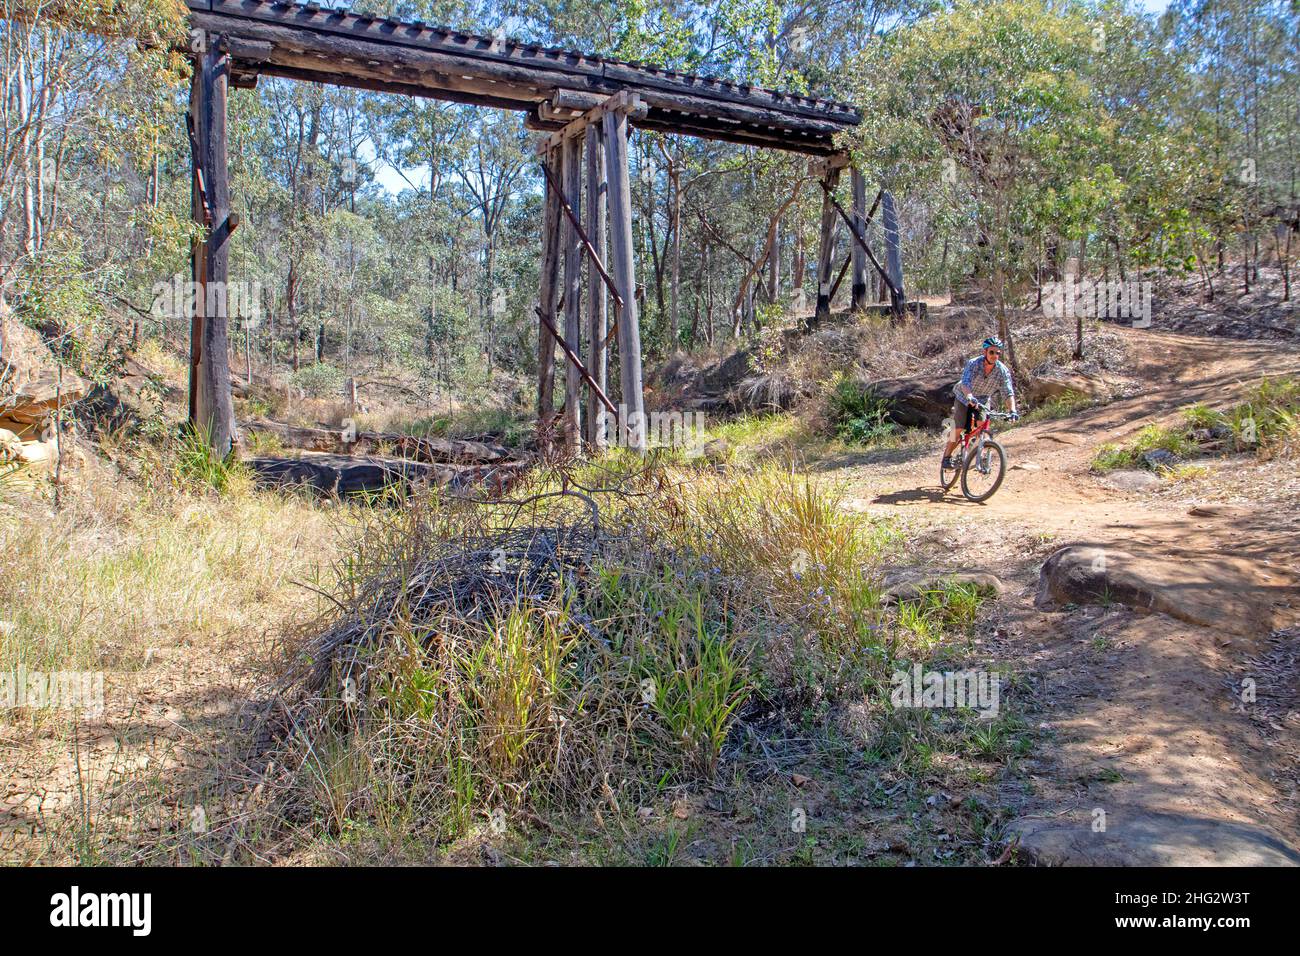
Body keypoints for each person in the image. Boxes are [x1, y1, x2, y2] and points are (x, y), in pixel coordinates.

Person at [942, 337, 1018, 469]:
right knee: (959, 427)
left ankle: (981, 457)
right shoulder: (974, 363)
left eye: (998, 353)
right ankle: (946, 458)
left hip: (983, 399)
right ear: (985, 352)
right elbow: (965, 382)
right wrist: (970, 397)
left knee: (982, 427)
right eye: (992, 352)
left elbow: (1008, 392)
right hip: (964, 397)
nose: (995, 355)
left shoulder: (1002, 370)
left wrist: (1012, 410)